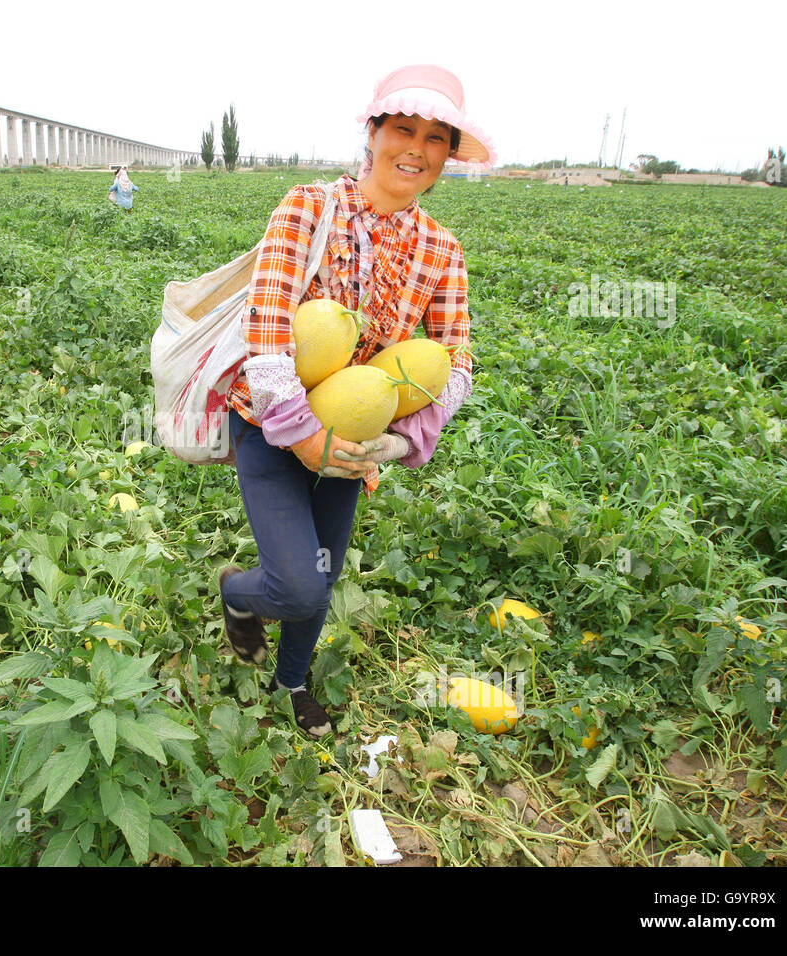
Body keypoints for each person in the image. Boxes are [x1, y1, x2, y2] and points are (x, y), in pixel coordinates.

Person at [216, 64, 494, 738]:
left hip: (355, 437)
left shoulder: (442, 250)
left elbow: (456, 358)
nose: (417, 150)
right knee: (297, 585)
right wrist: (302, 432)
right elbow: (271, 322)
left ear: (449, 154)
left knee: (323, 571)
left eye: (436, 138)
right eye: (403, 129)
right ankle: (236, 593)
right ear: (372, 132)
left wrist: (401, 441)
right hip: (269, 424)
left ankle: (292, 682)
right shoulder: (309, 208)